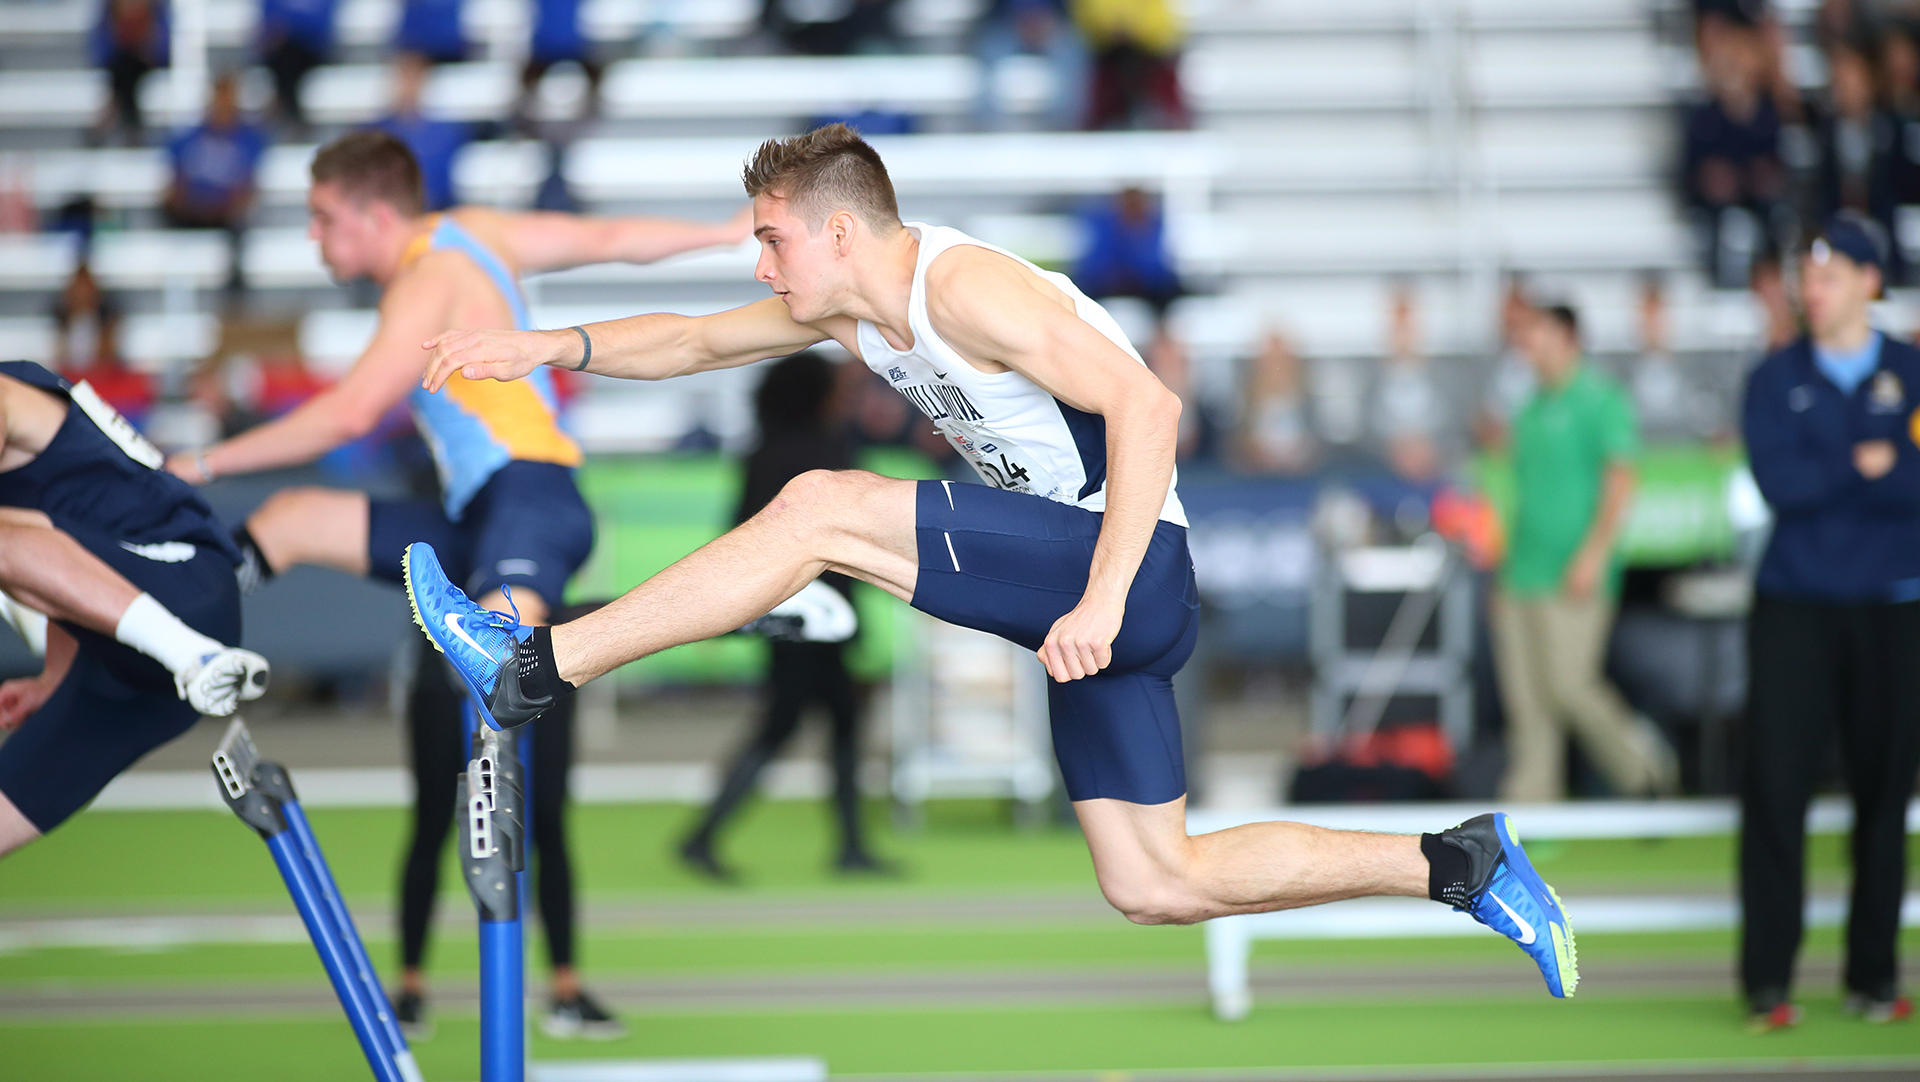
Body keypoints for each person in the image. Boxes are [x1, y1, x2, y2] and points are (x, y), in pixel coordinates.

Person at [404, 124, 1580, 999]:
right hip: (1093, 583)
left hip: (1128, 568)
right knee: (1154, 878)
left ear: (840, 230)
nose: (761, 265)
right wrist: (545, 344)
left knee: (820, 506)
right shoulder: (851, 312)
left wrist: (1107, 591)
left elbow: (1150, 406)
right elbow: (694, 338)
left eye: (772, 239)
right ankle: (1462, 862)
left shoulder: (960, 283)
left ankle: (533, 662)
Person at [159, 129, 746, 1030]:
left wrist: (200, 461)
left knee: (498, 667)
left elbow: (348, 412)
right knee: (290, 523)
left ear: (375, 212)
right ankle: (151, 634)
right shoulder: (474, 231)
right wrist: (724, 234)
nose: (315, 241)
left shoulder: (426, 276)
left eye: (323, 220)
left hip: (533, 499)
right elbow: (610, 238)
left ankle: (544, 962)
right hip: (476, 514)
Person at [1737, 212, 1919, 1031]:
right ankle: (1768, 983)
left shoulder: (1912, 374)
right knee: (1776, 792)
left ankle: (1874, 979)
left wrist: (1846, 471)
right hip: (1795, 611)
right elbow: (1782, 484)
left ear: (1870, 283)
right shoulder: (1773, 378)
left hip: (1895, 608)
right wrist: (1867, 464)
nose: (1813, 291)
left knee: (1885, 797)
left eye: (1831, 276)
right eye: (1808, 278)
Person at [0, 362, 269, 858]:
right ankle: (189, 658)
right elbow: (68, 552)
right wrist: (52, 681)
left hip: (183, 587)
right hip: (120, 656)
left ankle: (193, 656)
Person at [679, 352, 887, 881]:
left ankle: (847, 843)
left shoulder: (762, 452)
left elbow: (737, 534)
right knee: (806, 724)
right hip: (824, 616)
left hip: (782, 614)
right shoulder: (830, 450)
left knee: (809, 721)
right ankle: (707, 837)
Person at [1492, 303, 1676, 803]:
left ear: (1569, 336)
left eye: (1539, 332)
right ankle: (1530, 810)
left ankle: (1644, 768)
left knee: (1570, 685)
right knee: (1527, 703)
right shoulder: (1528, 406)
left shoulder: (1600, 399)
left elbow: (1620, 479)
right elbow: (1524, 494)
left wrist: (1594, 554)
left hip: (1573, 569)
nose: (1528, 344)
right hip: (1522, 571)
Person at [164, 73, 269, 294]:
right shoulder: (189, 138)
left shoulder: (249, 139)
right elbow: (174, 186)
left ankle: (234, 284)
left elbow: (246, 188)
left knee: (241, 221)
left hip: (226, 215)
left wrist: (220, 206)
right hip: (191, 211)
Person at [257, 0, 340, 130]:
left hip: (312, 48)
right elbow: (268, 19)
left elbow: (322, 23)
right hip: (280, 48)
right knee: (284, 57)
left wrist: (291, 27)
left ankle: (283, 106)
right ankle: (291, 112)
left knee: (288, 58)